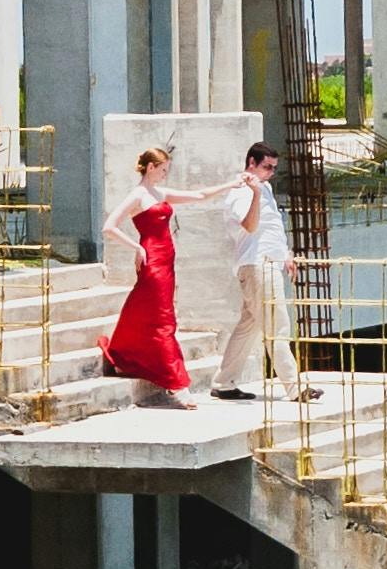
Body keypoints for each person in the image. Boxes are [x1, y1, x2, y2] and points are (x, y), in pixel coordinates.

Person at [95, 143, 217, 404]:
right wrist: (137, 246)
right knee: (162, 319)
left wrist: (232, 185)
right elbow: (109, 227)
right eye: (162, 169)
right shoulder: (138, 195)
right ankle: (177, 384)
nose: (165, 174)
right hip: (152, 260)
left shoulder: (160, 192)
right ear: (150, 168)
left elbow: (199, 196)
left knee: (149, 312)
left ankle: (124, 355)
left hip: (167, 259)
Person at [211, 139, 300, 399]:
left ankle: (224, 381)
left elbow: (271, 228)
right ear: (252, 163)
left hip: (269, 262)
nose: (270, 172)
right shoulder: (241, 191)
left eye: (273, 168)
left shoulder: (266, 188)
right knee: (277, 325)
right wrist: (256, 194)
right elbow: (249, 226)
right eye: (267, 167)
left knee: (249, 325)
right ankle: (293, 387)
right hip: (256, 264)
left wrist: (285, 254)